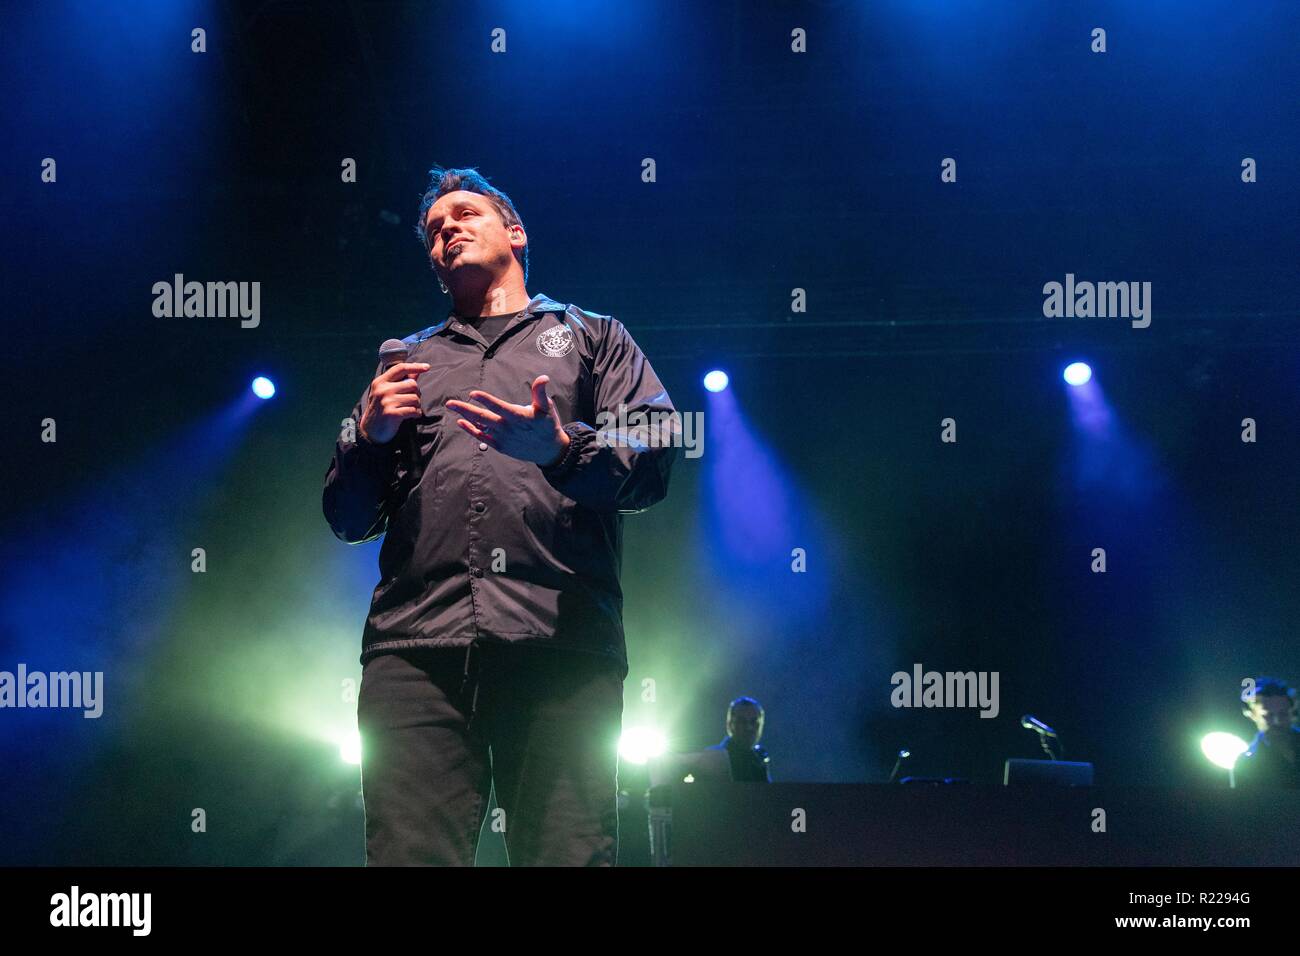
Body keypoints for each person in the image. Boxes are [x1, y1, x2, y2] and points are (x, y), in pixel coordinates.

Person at [323, 165, 679, 865]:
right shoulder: (406, 360)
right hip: (415, 651)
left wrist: (561, 448)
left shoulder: (594, 337)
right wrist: (366, 441)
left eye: (463, 215)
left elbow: (656, 455)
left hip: (559, 641)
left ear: (514, 232)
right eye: (432, 230)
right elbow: (345, 516)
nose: (445, 230)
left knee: (567, 856)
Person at [1235, 676, 1300, 789]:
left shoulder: (1248, 762)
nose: (1277, 722)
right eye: (1268, 716)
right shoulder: (1247, 764)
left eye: (1283, 714)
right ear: (1252, 715)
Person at [707, 696, 771, 782]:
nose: (749, 728)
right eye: (742, 721)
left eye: (754, 722)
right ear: (730, 725)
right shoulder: (713, 759)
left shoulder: (759, 759)